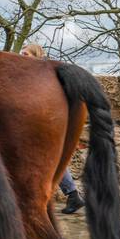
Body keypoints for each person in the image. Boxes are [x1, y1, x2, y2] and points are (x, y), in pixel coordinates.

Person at [18, 42, 86, 214]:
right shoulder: (41, 75)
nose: (21, 57)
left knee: (49, 160)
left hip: (42, 123)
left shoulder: (39, 76)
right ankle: (72, 195)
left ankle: (70, 194)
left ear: (36, 55)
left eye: (25, 54)